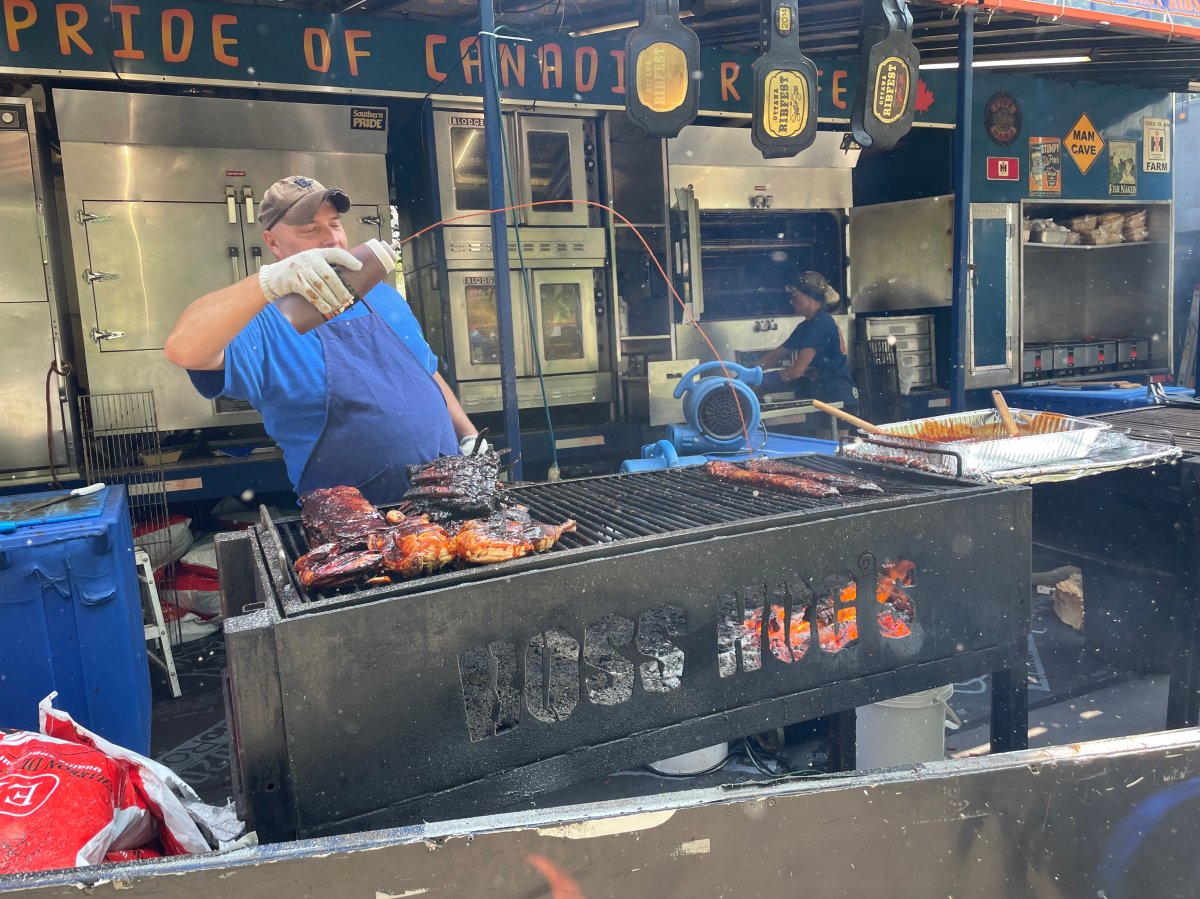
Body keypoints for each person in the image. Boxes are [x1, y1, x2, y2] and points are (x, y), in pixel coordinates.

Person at [164, 175, 481, 504]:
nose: (331, 239)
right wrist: (268, 281)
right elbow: (182, 348)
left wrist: (469, 436)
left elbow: (427, 372)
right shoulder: (267, 322)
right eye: (310, 230)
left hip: (449, 499)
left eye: (335, 224)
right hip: (354, 527)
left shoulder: (384, 297)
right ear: (273, 243)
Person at [755, 270, 859, 410]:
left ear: (810, 297)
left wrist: (762, 380)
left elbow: (796, 371)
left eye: (795, 296)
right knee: (824, 433)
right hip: (824, 393)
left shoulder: (821, 324)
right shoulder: (805, 326)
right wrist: (746, 372)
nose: (791, 301)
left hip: (838, 394)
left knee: (836, 433)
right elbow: (774, 356)